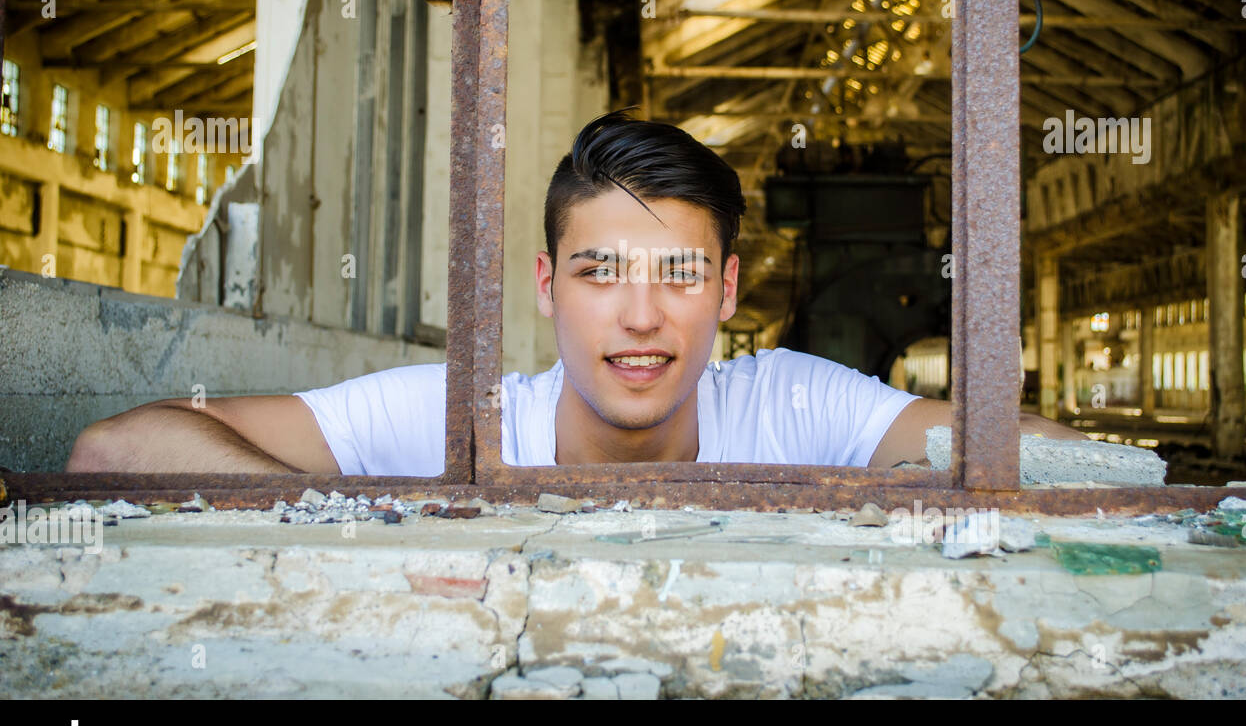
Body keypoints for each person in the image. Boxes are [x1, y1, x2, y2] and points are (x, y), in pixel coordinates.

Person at [66, 109, 1084, 475]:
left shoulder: (792, 405)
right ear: (549, 287)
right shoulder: (450, 426)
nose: (640, 316)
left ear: (727, 290)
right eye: (601, 273)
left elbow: (1054, 458)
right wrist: (349, 526)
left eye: (679, 275)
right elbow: (117, 447)